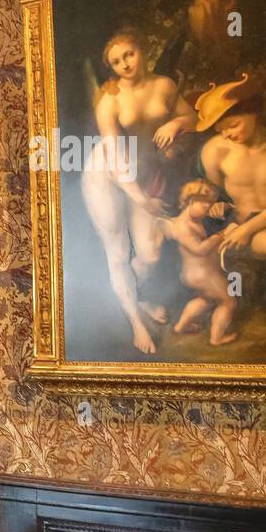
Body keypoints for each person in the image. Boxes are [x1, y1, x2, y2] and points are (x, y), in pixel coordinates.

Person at [81, 29, 198, 353]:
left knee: (150, 253)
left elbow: (193, 117)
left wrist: (175, 124)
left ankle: (138, 296)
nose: (125, 64)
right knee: (118, 251)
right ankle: (135, 321)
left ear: (141, 50)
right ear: (112, 68)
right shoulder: (110, 100)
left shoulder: (164, 86)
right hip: (106, 177)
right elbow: (116, 160)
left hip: (144, 173)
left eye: (129, 55)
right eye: (116, 62)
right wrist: (142, 199)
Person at [197, 74, 266, 311]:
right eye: (220, 129)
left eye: (233, 125)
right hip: (234, 225)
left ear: (253, 113)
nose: (227, 134)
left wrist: (249, 229)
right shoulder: (215, 151)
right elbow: (211, 192)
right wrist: (216, 205)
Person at [158, 180, 236, 345]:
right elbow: (199, 249)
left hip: (195, 274)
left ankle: (181, 326)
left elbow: (212, 212)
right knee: (228, 301)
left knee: (206, 299)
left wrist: (227, 207)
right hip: (203, 275)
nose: (207, 210)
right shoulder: (182, 226)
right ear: (191, 201)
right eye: (205, 206)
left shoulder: (194, 219)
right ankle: (217, 337)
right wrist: (219, 236)